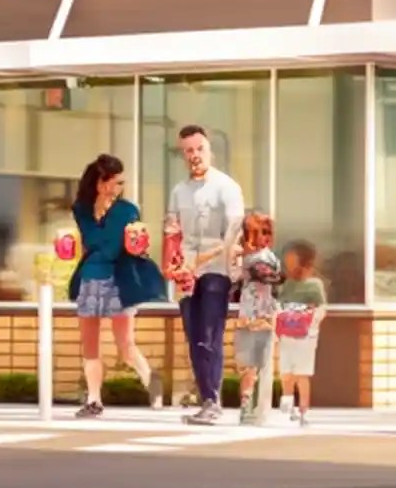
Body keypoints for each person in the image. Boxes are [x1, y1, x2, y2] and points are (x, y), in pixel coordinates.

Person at [67, 153, 168, 418]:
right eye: (115, 181)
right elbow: (92, 241)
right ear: (100, 182)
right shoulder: (81, 210)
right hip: (90, 277)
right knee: (89, 343)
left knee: (124, 344)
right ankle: (94, 399)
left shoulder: (127, 210)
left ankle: (149, 378)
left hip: (118, 279)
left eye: (122, 182)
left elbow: (115, 246)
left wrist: (134, 244)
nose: (119, 187)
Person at [164, 125, 246, 426]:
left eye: (199, 149)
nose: (194, 155)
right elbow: (172, 231)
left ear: (209, 150)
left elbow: (235, 234)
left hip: (215, 271)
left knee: (210, 336)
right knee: (194, 337)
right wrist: (172, 266)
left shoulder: (227, 187)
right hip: (187, 274)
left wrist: (208, 258)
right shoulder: (178, 191)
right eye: (188, 150)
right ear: (182, 154)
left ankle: (213, 400)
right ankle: (206, 399)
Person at [234, 211, 282, 425]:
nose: (265, 236)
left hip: (267, 314)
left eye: (267, 232)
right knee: (249, 364)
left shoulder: (270, 256)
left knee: (264, 364)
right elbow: (268, 275)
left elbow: (276, 278)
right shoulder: (248, 258)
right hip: (250, 315)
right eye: (260, 232)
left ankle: (261, 409)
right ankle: (246, 406)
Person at [276, 239, 326, 427]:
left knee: (302, 373)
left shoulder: (314, 285)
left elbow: (321, 308)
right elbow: (279, 304)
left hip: (305, 335)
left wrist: (312, 324)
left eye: (292, 260)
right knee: (286, 372)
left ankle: (303, 410)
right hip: (287, 333)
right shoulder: (287, 285)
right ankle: (287, 407)